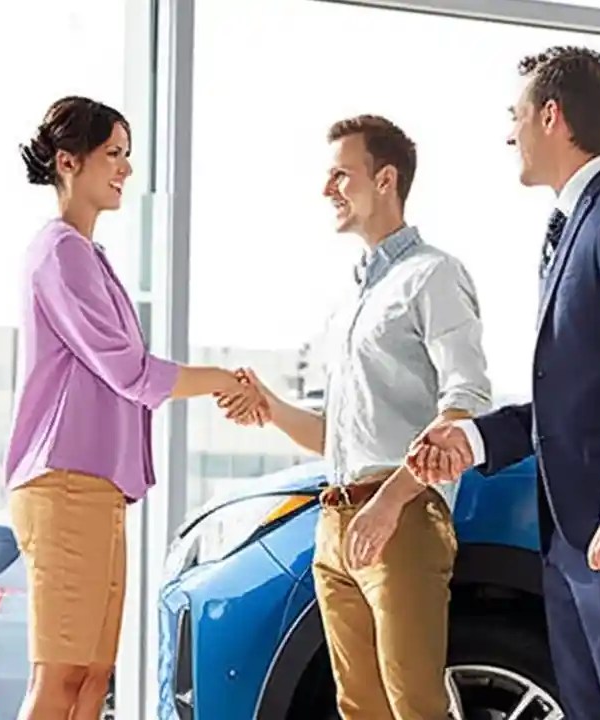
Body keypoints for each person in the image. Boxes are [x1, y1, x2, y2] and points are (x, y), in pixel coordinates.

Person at [407, 46, 600, 719]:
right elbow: (571, 399)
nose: (508, 132)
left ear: (552, 116)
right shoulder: (576, 227)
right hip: (573, 538)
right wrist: (476, 438)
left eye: (515, 115)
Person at [5, 96, 266, 720]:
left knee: (94, 679)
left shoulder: (87, 256)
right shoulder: (61, 251)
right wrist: (223, 380)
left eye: (128, 155)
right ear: (69, 162)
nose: (125, 168)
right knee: (62, 675)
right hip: (64, 483)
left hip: (93, 487)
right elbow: (130, 371)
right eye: (113, 155)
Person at [228, 114, 491, 719]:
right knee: (359, 709)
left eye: (341, 175)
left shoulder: (433, 275)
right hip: (337, 522)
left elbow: (465, 401)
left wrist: (391, 500)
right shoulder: (350, 301)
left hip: (400, 519)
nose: (328, 190)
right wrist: (268, 406)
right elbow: (336, 435)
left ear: (386, 179)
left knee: (416, 706)